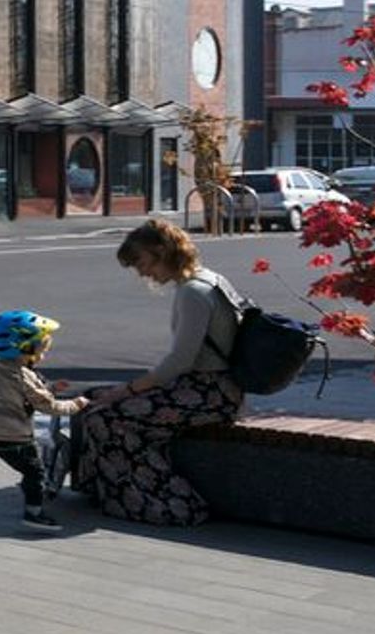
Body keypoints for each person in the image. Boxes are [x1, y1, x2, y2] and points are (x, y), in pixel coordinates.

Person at [69, 219, 246, 525]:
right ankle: (105, 490)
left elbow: (179, 361)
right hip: (207, 388)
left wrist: (126, 390)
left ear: (161, 251)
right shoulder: (209, 279)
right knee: (90, 399)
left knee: (104, 417)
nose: (141, 272)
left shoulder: (193, 292)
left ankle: (169, 503)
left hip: (210, 395)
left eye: (141, 262)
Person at [0, 310, 84, 530]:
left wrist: (50, 388)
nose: (43, 354)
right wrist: (77, 404)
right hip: (12, 436)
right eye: (42, 349)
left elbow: (12, 393)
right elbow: (48, 406)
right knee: (34, 473)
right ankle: (33, 513)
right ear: (26, 348)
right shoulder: (24, 374)